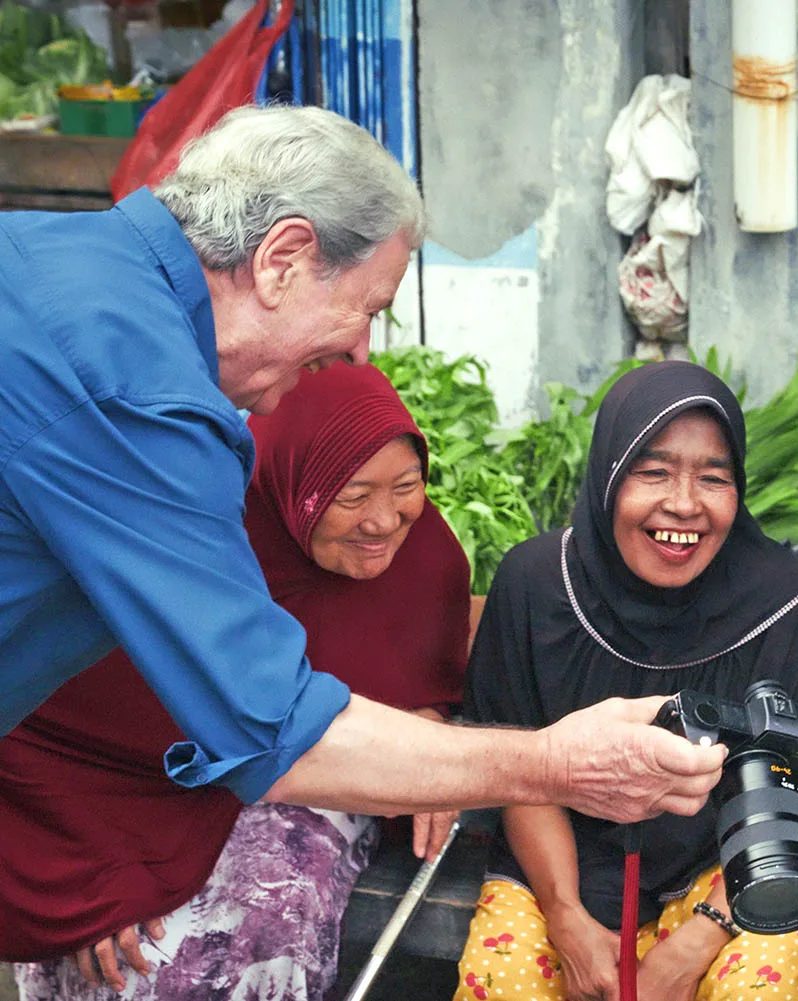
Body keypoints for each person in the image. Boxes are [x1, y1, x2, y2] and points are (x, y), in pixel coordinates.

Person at [0, 105, 724, 834]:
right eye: (367, 307)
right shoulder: (137, 391)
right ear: (282, 259)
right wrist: (561, 765)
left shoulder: (43, 252)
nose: (362, 352)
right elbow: (276, 731)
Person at [2, 362, 470, 999]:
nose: (385, 521)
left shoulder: (426, 558)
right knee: (122, 955)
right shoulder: (204, 551)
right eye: (353, 495)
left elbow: (420, 687)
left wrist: (429, 738)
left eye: (407, 486)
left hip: (315, 786)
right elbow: (74, 733)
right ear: (291, 479)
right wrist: (88, 883)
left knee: (261, 918)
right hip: (130, 799)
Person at [454, 361, 798, 1001]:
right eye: (654, 471)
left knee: (757, 988)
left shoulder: (781, 603)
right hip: (562, 860)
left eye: (713, 478)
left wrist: (697, 943)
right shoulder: (536, 585)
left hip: (739, 861)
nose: (684, 505)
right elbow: (519, 767)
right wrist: (565, 918)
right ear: (611, 473)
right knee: (504, 983)